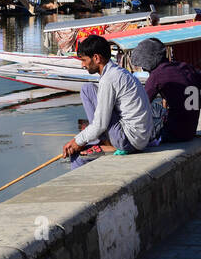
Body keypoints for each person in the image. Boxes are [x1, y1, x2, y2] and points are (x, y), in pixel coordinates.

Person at [62, 35, 154, 166]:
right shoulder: (119, 72)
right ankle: (100, 141)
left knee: (76, 159)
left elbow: (100, 124)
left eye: (84, 60)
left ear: (96, 58)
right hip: (140, 139)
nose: (82, 65)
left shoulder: (109, 79)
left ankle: (99, 142)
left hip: (129, 141)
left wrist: (77, 141)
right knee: (88, 89)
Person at [130, 38, 201, 144]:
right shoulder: (185, 67)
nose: (144, 69)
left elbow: (142, 104)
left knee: (152, 109)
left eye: (144, 66)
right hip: (190, 130)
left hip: (173, 134)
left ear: (149, 61)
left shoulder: (156, 75)